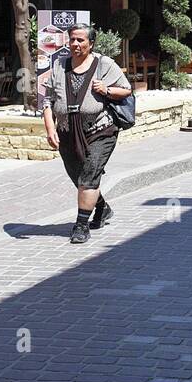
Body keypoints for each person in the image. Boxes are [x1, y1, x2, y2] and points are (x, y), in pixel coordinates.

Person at [42, 24, 132, 244]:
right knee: (78, 177)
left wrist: (107, 90)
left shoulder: (104, 64)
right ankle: (102, 209)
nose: (75, 44)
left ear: (91, 44)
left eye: (81, 40)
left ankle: (81, 225)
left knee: (89, 176)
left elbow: (126, 89)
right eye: (72, 39)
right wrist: (50, 129)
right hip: (67, 132)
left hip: (101, 130)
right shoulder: (59, 66)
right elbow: (47, 101)